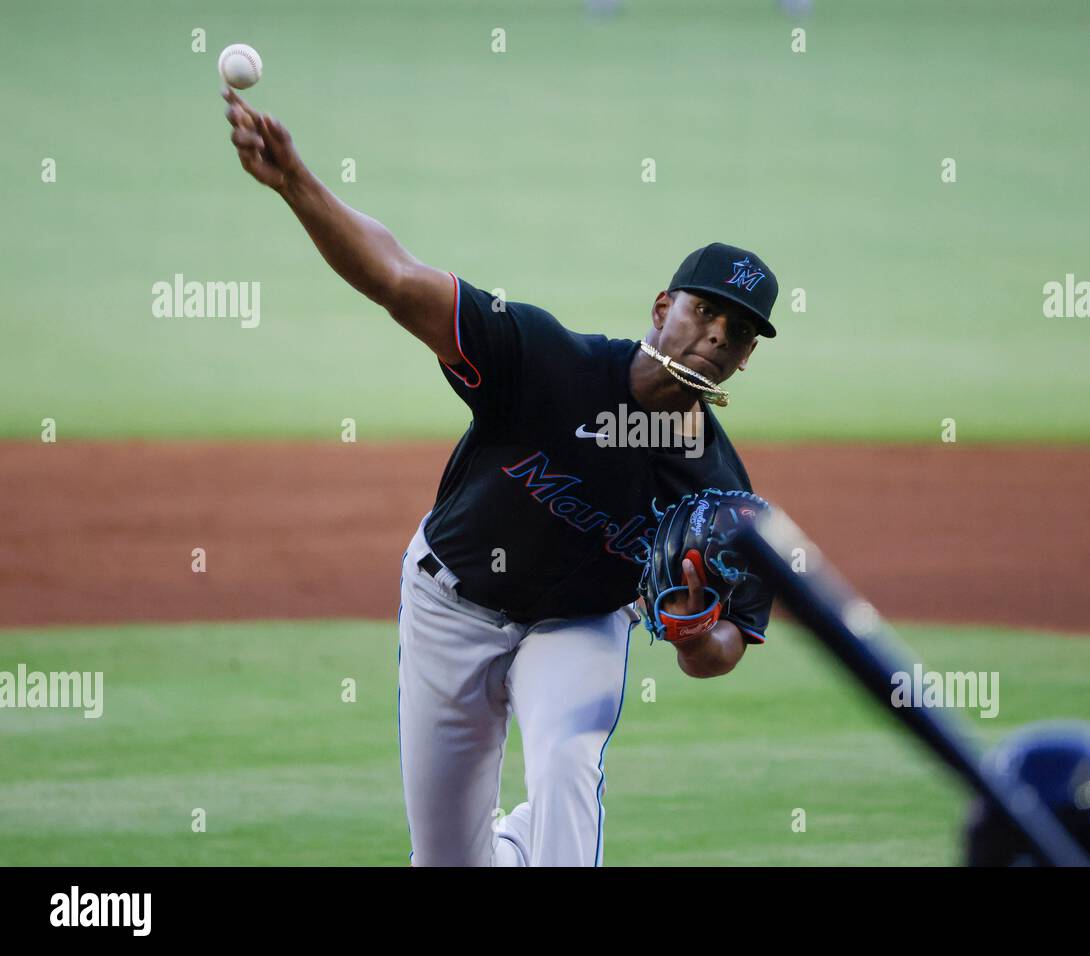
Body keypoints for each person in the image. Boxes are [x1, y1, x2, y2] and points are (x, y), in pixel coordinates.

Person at [222, 87, 780, 866]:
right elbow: (397, 279)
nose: (717, 335)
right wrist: (298, 185)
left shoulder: (719, 491)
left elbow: (728, 643)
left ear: (748, 356)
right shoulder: (547, 359)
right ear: (662, 307)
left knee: (563, 765)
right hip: (451, 602)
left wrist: (694, 635)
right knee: (448, 859)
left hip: (579, 625)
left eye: (739, 331)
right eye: (705, 312)